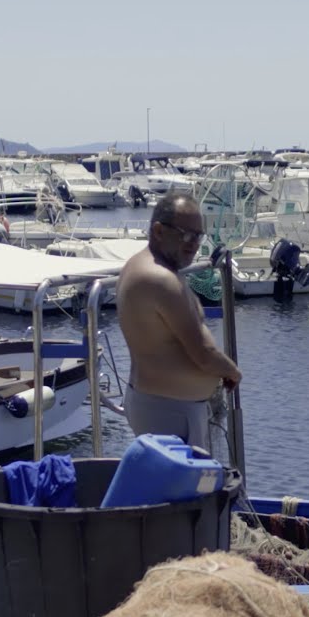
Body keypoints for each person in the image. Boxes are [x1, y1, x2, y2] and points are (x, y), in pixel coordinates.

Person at [116, 193, 240, 453]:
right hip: (169, 412)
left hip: (165, 407)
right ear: (159, 231)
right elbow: (203, 354)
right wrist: (231, 371)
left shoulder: (145, 267)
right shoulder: (162, 280)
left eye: (198, 236)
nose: (194, 244)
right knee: (185, 492)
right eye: (186, 234)